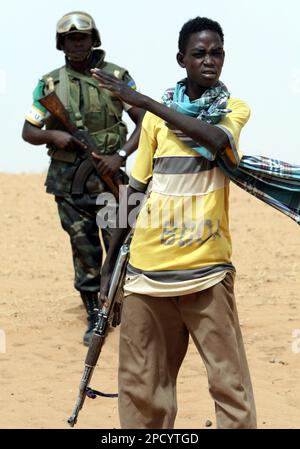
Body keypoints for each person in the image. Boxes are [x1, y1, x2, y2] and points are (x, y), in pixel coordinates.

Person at [92, 16, 257, 428]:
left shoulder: (233, 110)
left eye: (216, 52)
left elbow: (216, 141)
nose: (209, 60)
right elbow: (133, 190)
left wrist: (145, 102)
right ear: (181, 59)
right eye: (199, 53)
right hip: (147, 275)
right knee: (142, 388)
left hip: (207, 273)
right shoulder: (154, 123)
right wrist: (110, 263)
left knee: (229, 385)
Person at [22, 11, 144, 346]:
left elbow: (144, 121)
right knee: (84, 250)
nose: (78, 44)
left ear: (94, 40)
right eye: (71, 39)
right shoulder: (48, 84)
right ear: (61, 44)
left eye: (83, 37)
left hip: (110, 177)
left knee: (122, 246)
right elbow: (28, 131)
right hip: (67, 181)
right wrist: (54, 138)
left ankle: (126, 310)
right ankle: (95, 314)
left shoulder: (116, 77)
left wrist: (119, 156)